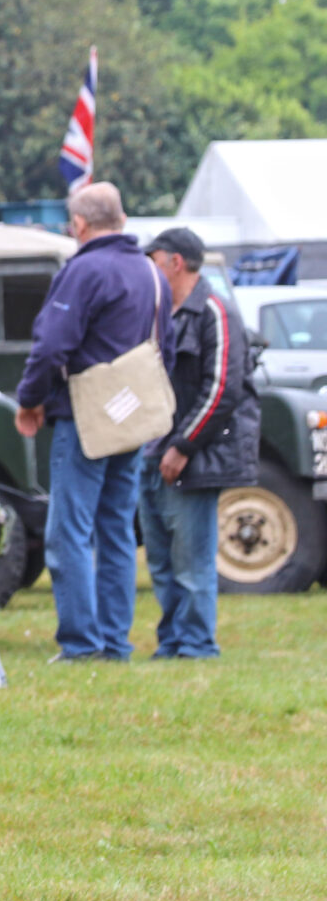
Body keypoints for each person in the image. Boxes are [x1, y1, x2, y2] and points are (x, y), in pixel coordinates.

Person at [14, 183, 175, 662]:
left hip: (85, 417)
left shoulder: (83, 270)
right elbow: (162, 348)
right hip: (132, 418)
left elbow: (51, 345)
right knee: (117, 531)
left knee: (69, 532)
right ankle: (114, 642)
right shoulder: (151, 273)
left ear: (79, 224)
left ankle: (81, 644)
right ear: (121, 219)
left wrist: (30, 399)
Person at [138, 226, 257, 658]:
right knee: (161, 559)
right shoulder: (158, 313)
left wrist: (182, 446)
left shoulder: (214, 312)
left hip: (193, 457)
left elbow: (223, 388)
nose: (149, 270)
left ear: (175, 262)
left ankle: (196, 644)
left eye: (154, 260)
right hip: (151, 451)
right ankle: (172, 642)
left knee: (191, 559)